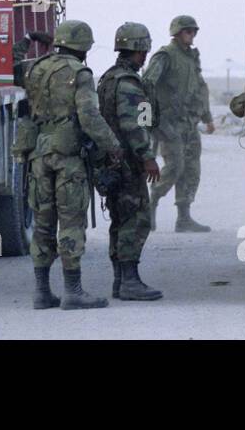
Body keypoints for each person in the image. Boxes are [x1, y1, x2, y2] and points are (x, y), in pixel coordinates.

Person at [15, 20, 122, 310]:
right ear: (83, 48)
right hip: (68, 158)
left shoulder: (35, 68)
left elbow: (8, 66)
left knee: (43, 223)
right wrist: (113, 146)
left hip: (38, 156)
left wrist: (26, 39)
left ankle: (41, 292)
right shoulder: (80, 73)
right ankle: (73, 291)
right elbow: (89, 117)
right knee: (72, 222)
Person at [96, 23, 163, 301]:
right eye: (144, 50)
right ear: (138, 49)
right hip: (127, 163)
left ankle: (120, 281)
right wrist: (147, 157)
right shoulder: (128, 83)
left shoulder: (108, 79)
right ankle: (129, 281)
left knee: (120, 220)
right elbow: (133, 125)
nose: (145, 56)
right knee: (136, 220)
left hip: (111, 162)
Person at [143, 14, 215, 233]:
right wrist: (148, 120)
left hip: (189, 123)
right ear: (177, 32)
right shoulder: (166, 56)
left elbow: (200, 89)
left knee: (191, 170)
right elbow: (147, 83)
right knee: (175, 167)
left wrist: (208, 117)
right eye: (187, 31)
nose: (191, 35)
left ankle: (184, 217)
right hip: (168, 123)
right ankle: (150, 204)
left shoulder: (192, 58)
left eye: (194, 31)